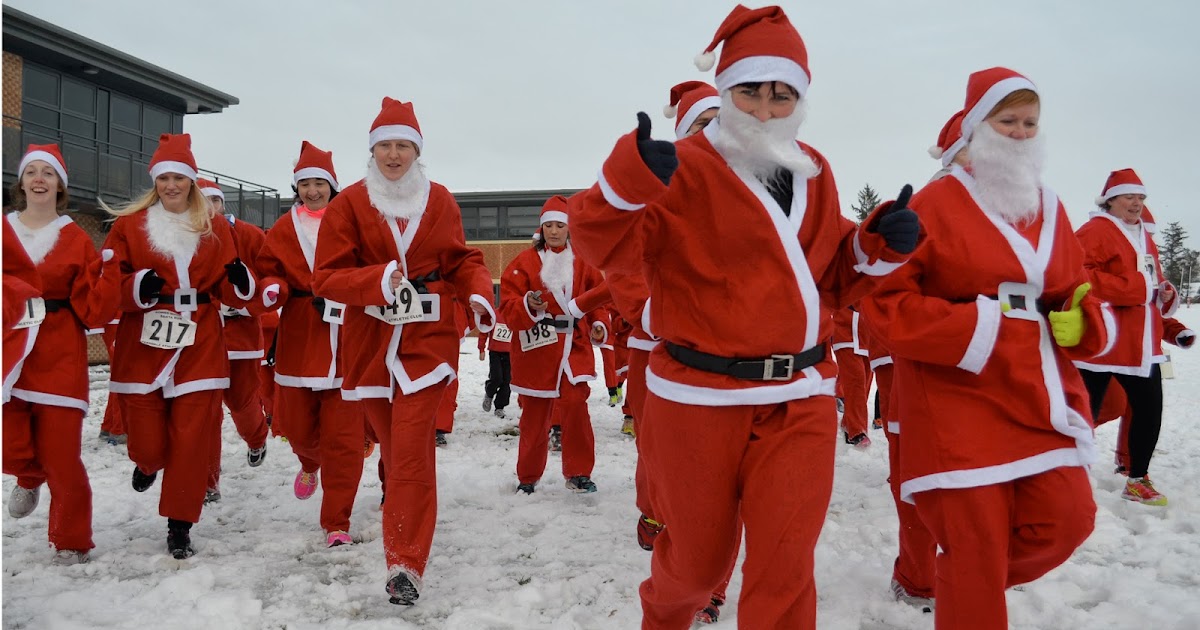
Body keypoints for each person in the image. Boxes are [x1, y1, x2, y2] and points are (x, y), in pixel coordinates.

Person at [569, 6, 920, 628]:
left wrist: (877, 245)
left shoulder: (814, 169)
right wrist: (627, 181)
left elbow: (832, 279)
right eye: (750, 90)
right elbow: (602, 244)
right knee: (696, 568)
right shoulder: (683, 168)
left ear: (801, 99)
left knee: (786, 569)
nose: (764, 108)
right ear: (726, 90)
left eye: (781, 94)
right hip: (698, 396)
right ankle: (665, 617)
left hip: (801, 393)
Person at [860, 67, 1109, 630]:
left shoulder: (1050, 205)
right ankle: (968, 589)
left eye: (1029, 122)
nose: (1020, 132)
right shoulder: (936, 202)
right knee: (972, 550)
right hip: (956, 399)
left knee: (1067, 519)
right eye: (1007, 121)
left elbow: (1072, 285)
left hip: (1036, 394)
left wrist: (1082, 319)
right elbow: (885, 302)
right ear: (976, 129)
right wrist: (978, 329)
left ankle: (965, 584)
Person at [311, 98, 495, 605]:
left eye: (403, 145)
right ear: (373, 151)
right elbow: (324, 277)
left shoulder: (440, 201)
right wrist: (377, 280)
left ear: (417, 150)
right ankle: (400, 519)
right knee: (393, 450)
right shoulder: (348, 203)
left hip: (427, 343)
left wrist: (477, 291)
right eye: (385, 146)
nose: (394, 154)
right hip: (371, 343)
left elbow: (462, 260)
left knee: (412, 451)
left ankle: (405, 564)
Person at [101, 133, 257, 559]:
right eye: (164, 178)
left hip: (201, 340)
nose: (172, 185)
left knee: (191, 440)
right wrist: (136, 285)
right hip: (147, 339)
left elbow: (229, 285)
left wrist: (241, 284)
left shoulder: (212, 226)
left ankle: (180, 524)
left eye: (179, 178)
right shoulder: (129, 226)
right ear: (156, 182)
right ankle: (148, 463)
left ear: (192, 182)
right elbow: (109, 283)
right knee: (149, 442)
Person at [2, 144, 116, 565]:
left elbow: (90, 303)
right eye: (31, 171)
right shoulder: (3, 229)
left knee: (63, 458)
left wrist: (111, 276)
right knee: (9, 445)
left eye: (47, 173)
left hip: (60, 352)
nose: (38, 178)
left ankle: (71, 539)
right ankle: (27, 476)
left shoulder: (75, 237)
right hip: (10, 352)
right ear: (21, 182)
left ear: (60, 186)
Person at [257, 141, 365, 547]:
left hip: (345, 336)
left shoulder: (349, 221)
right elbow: (268, 271)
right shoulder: (283, 229)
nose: (313, 190)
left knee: (345, 441)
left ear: (332, 186)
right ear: (296, 188)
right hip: (302, 332)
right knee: (299, 428)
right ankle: (308, 462)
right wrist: (270, 290)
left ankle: (336, 521)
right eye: (305, 184)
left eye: (320, 183)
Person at [1073, 171, 1178, 505]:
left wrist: (1164, 292)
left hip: (1142, 344)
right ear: (1111, 200)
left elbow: (1151, 278)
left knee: (1149, 409)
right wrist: (1136, 289)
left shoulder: (1143, 236)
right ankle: (1063, 475)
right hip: (1102, 341)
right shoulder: (1096, 230)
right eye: (1129, 197)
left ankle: (1138, 479)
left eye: (1141, 198)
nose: (1137, 204)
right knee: (1083, 413)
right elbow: (1077, 274)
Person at [500, 196, 610, 495]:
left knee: (576, 407)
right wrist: (528, 304)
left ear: (569, 228)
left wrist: (599, 325)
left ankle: (578, 472)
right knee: (534, 416)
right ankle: (528, 476)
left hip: (573, 347)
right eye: (548, 225)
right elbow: (508, 306)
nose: (553, 230)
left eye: (559, 225)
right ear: (541, 228)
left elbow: (598, 299)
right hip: (538, 348)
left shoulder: (584, 263)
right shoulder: (523, 263)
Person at [197, 178, 270, 504]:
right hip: (201, 337)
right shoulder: (187, 236)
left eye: (213, 201)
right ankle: (208, 482)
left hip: (241, 335)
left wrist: (244, 299)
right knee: (207, 412)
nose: (208, 208)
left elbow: (268, 280)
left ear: (222, 204)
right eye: (201, 202)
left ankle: (256, 438)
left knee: (241, 401)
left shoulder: (249, 235)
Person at [832, 306, 872, 447]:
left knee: (866, 382)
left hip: (868, 335)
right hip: (845, 332)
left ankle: (848, 424)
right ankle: (857, 430)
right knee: (856, 380)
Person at [479, 308, 512, 419]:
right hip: (495, 353)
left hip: (511, 354)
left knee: (507, 381)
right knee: (497, 378)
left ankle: (500, 407)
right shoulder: (493, 314)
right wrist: (481, 349)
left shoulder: (516, 314)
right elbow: (484, 330)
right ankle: (489, 393)